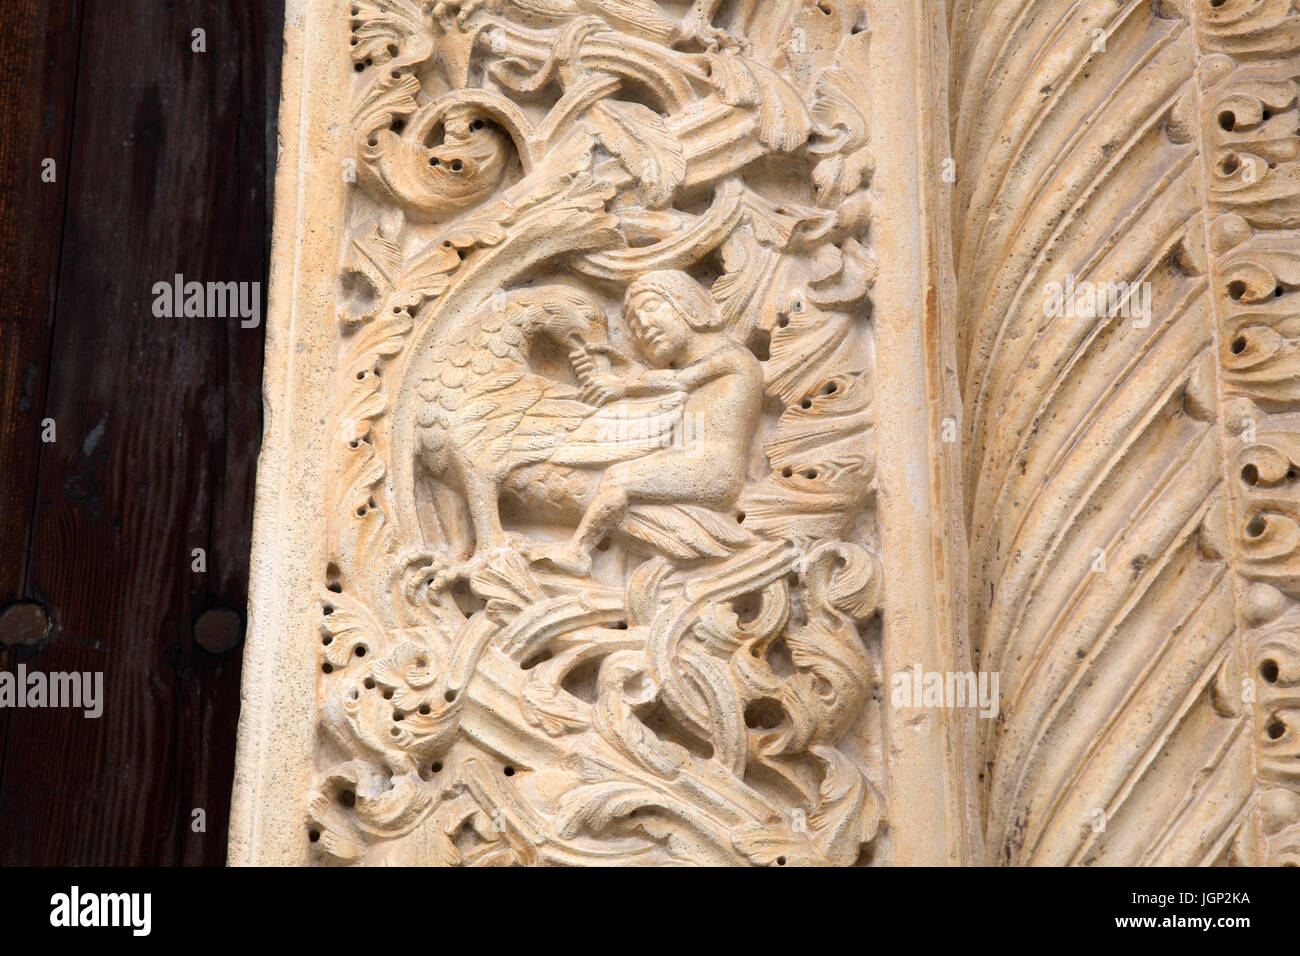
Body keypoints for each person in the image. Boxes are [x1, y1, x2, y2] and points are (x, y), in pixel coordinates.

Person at [533, 270, 762, 575]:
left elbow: (681, 379)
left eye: (652, 307)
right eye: (634, 324)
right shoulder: (696, 375)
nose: (644, 326)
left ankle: (577, 552)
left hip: (713, 471)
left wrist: (623, 385)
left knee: (619, 477)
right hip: (688, 462)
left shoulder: (734, 357)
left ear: (687, 304)